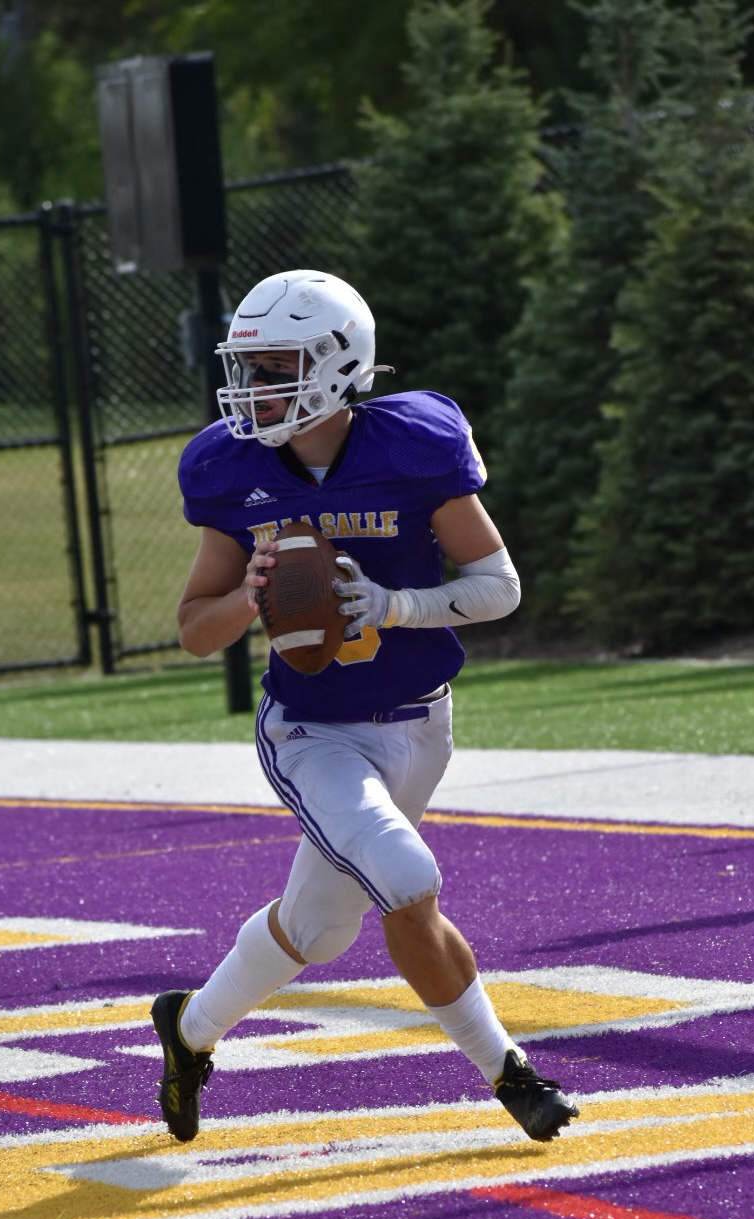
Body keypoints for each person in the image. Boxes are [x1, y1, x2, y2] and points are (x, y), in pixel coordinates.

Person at [151, 268, 578, 1146]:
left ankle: (188, 1029)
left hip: (421, 720)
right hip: (313, 729)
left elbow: (498, 586)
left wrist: (393, 605)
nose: (256, 388)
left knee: (318, 926)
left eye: (278, 366)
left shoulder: (414, 444)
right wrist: (254, 596)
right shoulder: (231, 472)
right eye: (250, 366)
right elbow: (197, 629)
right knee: (407, 877)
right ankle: (512, 1074)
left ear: (340, 364)